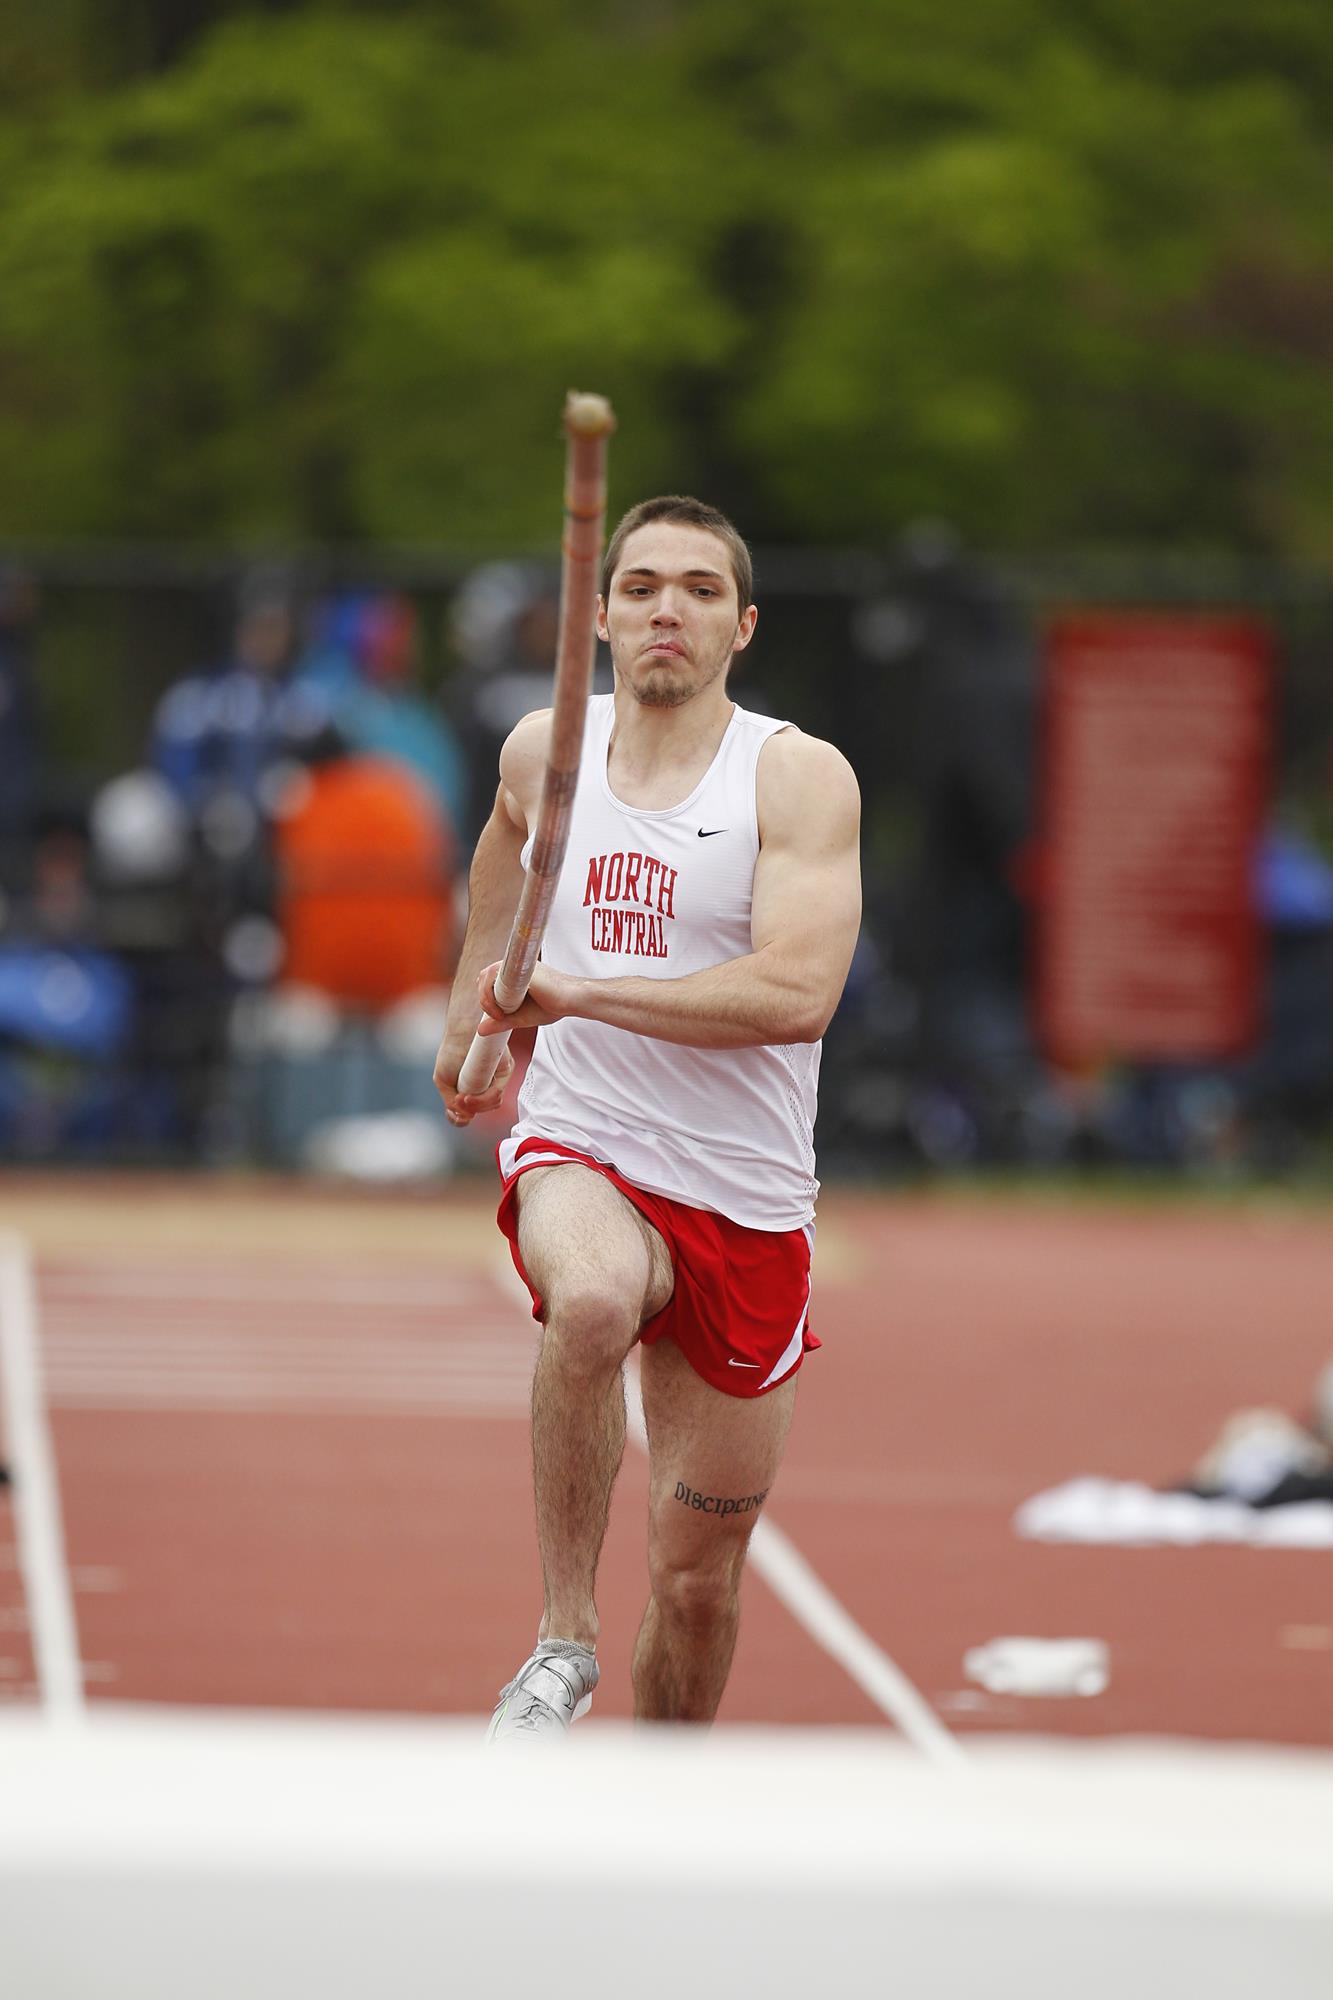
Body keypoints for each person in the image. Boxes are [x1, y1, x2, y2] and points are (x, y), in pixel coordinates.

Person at [433, 496, 862, 1735]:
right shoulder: (542, 752)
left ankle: (664, 1800)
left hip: (747, 1200)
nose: (666, 607)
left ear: (742, 625)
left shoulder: (792, 775)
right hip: (588, 1144)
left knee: (694, 1582)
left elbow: (799, 992)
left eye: (698, 588)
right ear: (603, 617)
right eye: (639, 587)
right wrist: (474, 1020)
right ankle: (560, 1640)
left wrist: (578, 989)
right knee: (595, 1297)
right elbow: (504, 852)